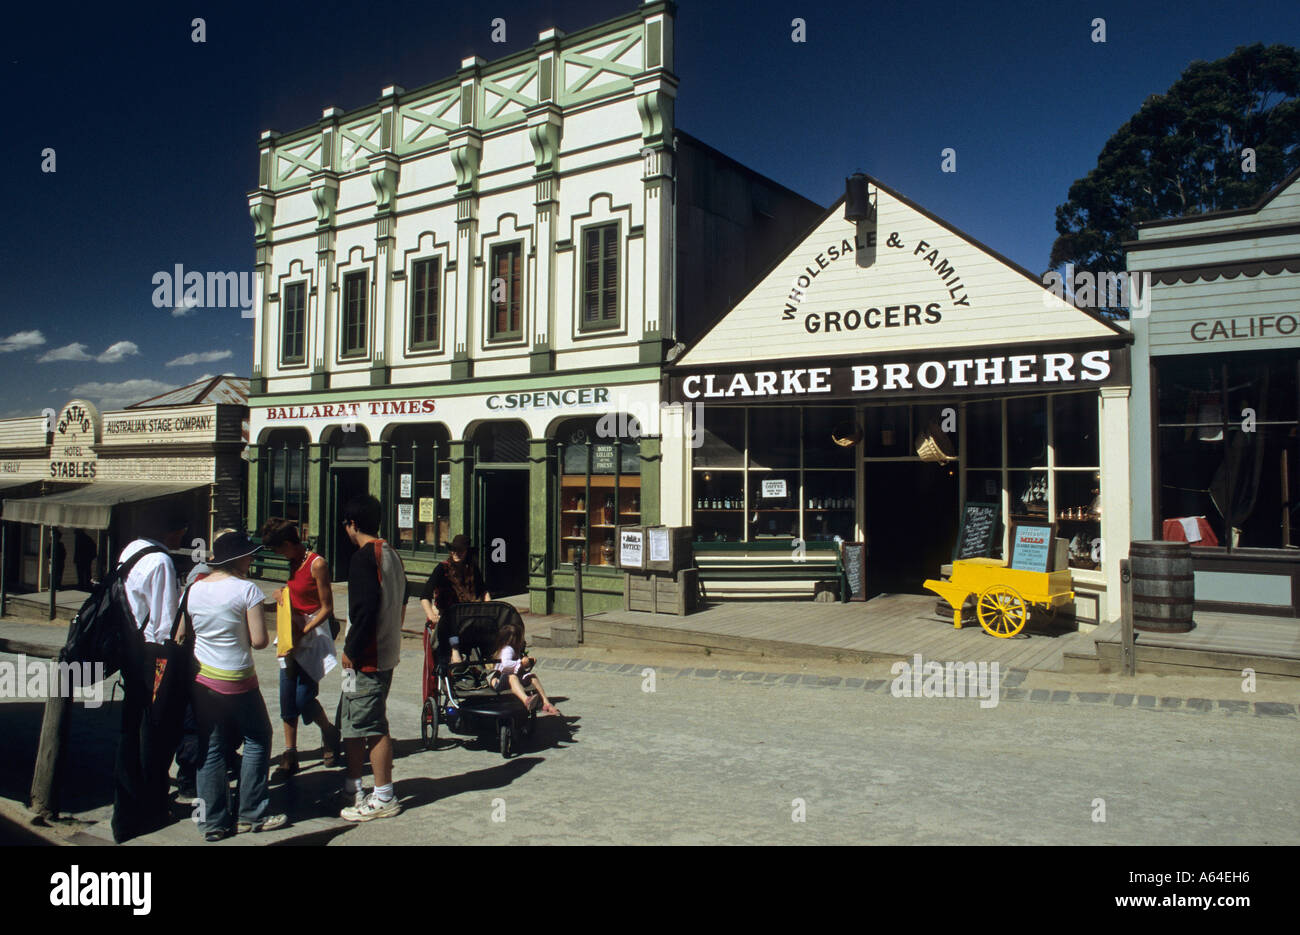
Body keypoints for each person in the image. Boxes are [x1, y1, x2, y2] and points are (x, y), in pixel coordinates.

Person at [187, 530, 287, 841]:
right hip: (238, 678)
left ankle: (213, 821)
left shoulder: (193, 589)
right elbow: (258, 641)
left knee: (212, 748)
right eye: (248, 553)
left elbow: (182, 632)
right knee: (258, 738)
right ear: (236, 558)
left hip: (203, 679)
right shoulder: (247, 590)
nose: (252, 558)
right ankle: (251, 812)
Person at [111, 510, 190, 841]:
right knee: (155, 734)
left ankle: (128, 808)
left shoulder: (131, 550)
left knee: (132, 730)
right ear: (176, 531)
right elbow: (165, 623)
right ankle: (151, 806)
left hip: (128, 649)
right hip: (152, 656)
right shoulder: (161, 562)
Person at [338, 495, 406, 822]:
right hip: (384, 652)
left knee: (373, 724)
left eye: (346, 525)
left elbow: (364, 612)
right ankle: (353, 786)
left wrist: (350, 650)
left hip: (366, 658)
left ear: (352, 524)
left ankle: (384, 796)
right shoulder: (392, 554)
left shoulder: (364, 558)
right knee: (352, 719)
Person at [261, 517, 341, 778]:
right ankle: (290, 751)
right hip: (289, 633)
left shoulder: (317, 564)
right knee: (287, 696)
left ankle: (328, 731)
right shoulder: (293, 562)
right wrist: (281, 594)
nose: (277, 555)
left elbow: (326, 607)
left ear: (287, 543)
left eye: (277, 549)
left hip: (311, 634)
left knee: (303, 697)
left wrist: (304, 632)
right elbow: (293, 591)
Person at [420, 534, 491, 664]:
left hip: (467, 615)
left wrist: (489, 608)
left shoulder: (472, 568)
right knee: (451, 627)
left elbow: (483, 591)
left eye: (460, 550)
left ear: (467, 552)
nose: (456, 553)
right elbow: (425, 595)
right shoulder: (442, 568)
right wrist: (431, 614)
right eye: (453, 550)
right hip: (446, 615)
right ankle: (455, 652)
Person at [490, 620, 559, 716]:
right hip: (501, 681)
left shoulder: (515, 650)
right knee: (512, 677)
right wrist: (520, 662)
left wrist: (528, 664)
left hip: (513, 679)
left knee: (532, 677)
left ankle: (546, 702)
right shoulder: (508, 649)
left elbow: (518, 669)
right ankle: (526, 700)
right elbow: (506, 664)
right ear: (515, 639)